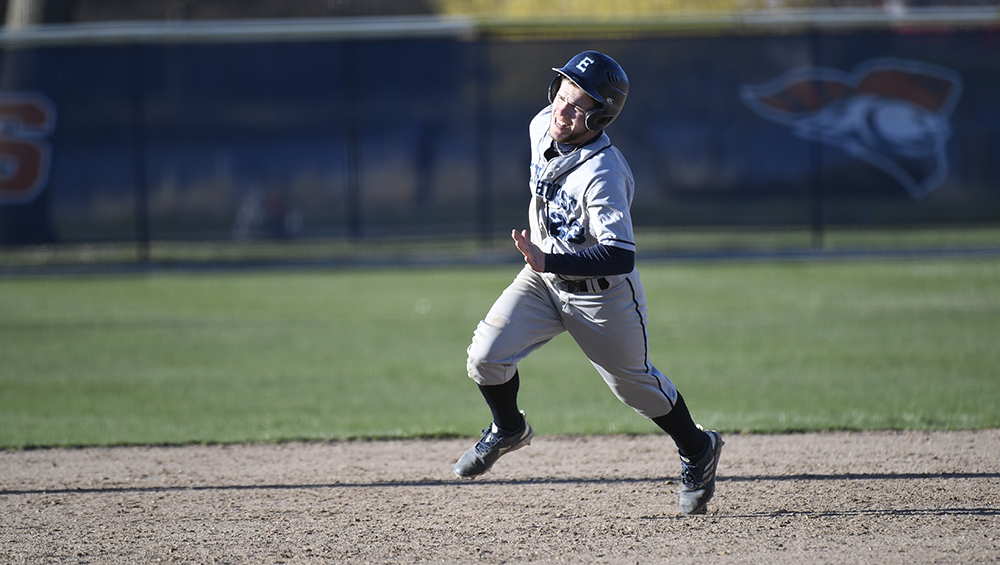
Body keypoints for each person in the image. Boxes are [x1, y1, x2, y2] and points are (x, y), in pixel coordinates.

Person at [453, 51, 724, 515]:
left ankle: (698, 449)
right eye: (560, 95)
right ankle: (509, 428)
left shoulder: (604, 172)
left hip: (602, 296)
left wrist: (548, 256)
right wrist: (544, 260)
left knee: (635, 387)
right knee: (484, 357)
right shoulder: (543, 126)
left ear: (601, 115)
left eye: (578, 105)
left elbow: (620, 254)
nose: (562, 110)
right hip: (542, 281)